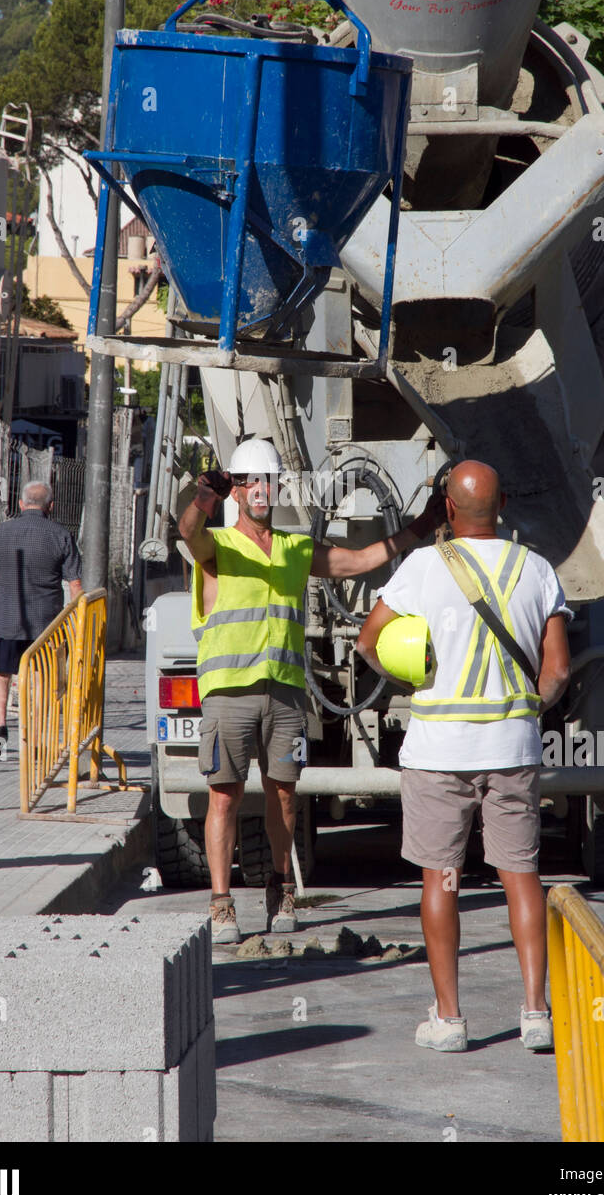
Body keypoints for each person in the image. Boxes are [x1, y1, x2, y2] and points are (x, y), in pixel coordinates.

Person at [178, 439, 447, 944]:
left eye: (268, 480)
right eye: (251, 481)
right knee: (224, 798)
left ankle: (280, 892)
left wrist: (417, 530)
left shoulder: (296, 548)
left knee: (284, 797)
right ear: (236, 490)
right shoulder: (217, 546)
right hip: (229, 694)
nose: (261, 489)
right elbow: (187, 531)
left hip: (284, 695)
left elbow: (358, 560)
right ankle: (221, 905)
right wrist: (202, 499)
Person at [357, 460, 571, 1053]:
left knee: (443, 879)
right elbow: (556, 671)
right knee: (521, 877)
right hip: (512, 748)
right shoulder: (538, 570)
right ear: (502, 503)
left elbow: (368, 641)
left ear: (448, 509)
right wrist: (527, 709)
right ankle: (535, 1013)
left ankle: (448, 1020)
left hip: (438, 753)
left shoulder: (424, 567)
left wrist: (411, 678)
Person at [0, 480, 82, 758]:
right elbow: (75, 586)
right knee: (41, 679)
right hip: (47, 626)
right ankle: (32, 739)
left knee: (0, 673)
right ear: (51, 506)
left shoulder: (0, 532)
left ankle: (0, 726)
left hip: (6, 620)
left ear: (21, 504)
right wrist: (76, 621)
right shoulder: (61, 535)